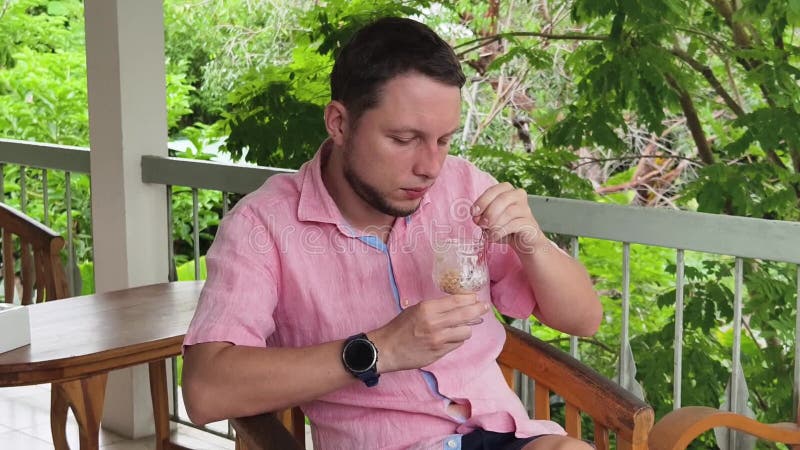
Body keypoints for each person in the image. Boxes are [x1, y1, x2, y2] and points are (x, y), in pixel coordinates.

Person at [182, 16, 602, 450]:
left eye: (443, 140)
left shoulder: (465, 189)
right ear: (339, 123)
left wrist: (530, 241)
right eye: (404, 139)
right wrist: (378, 350)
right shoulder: (264, 227)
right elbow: (205, 390)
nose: (430, 167)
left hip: (502, 434)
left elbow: (584, 319)